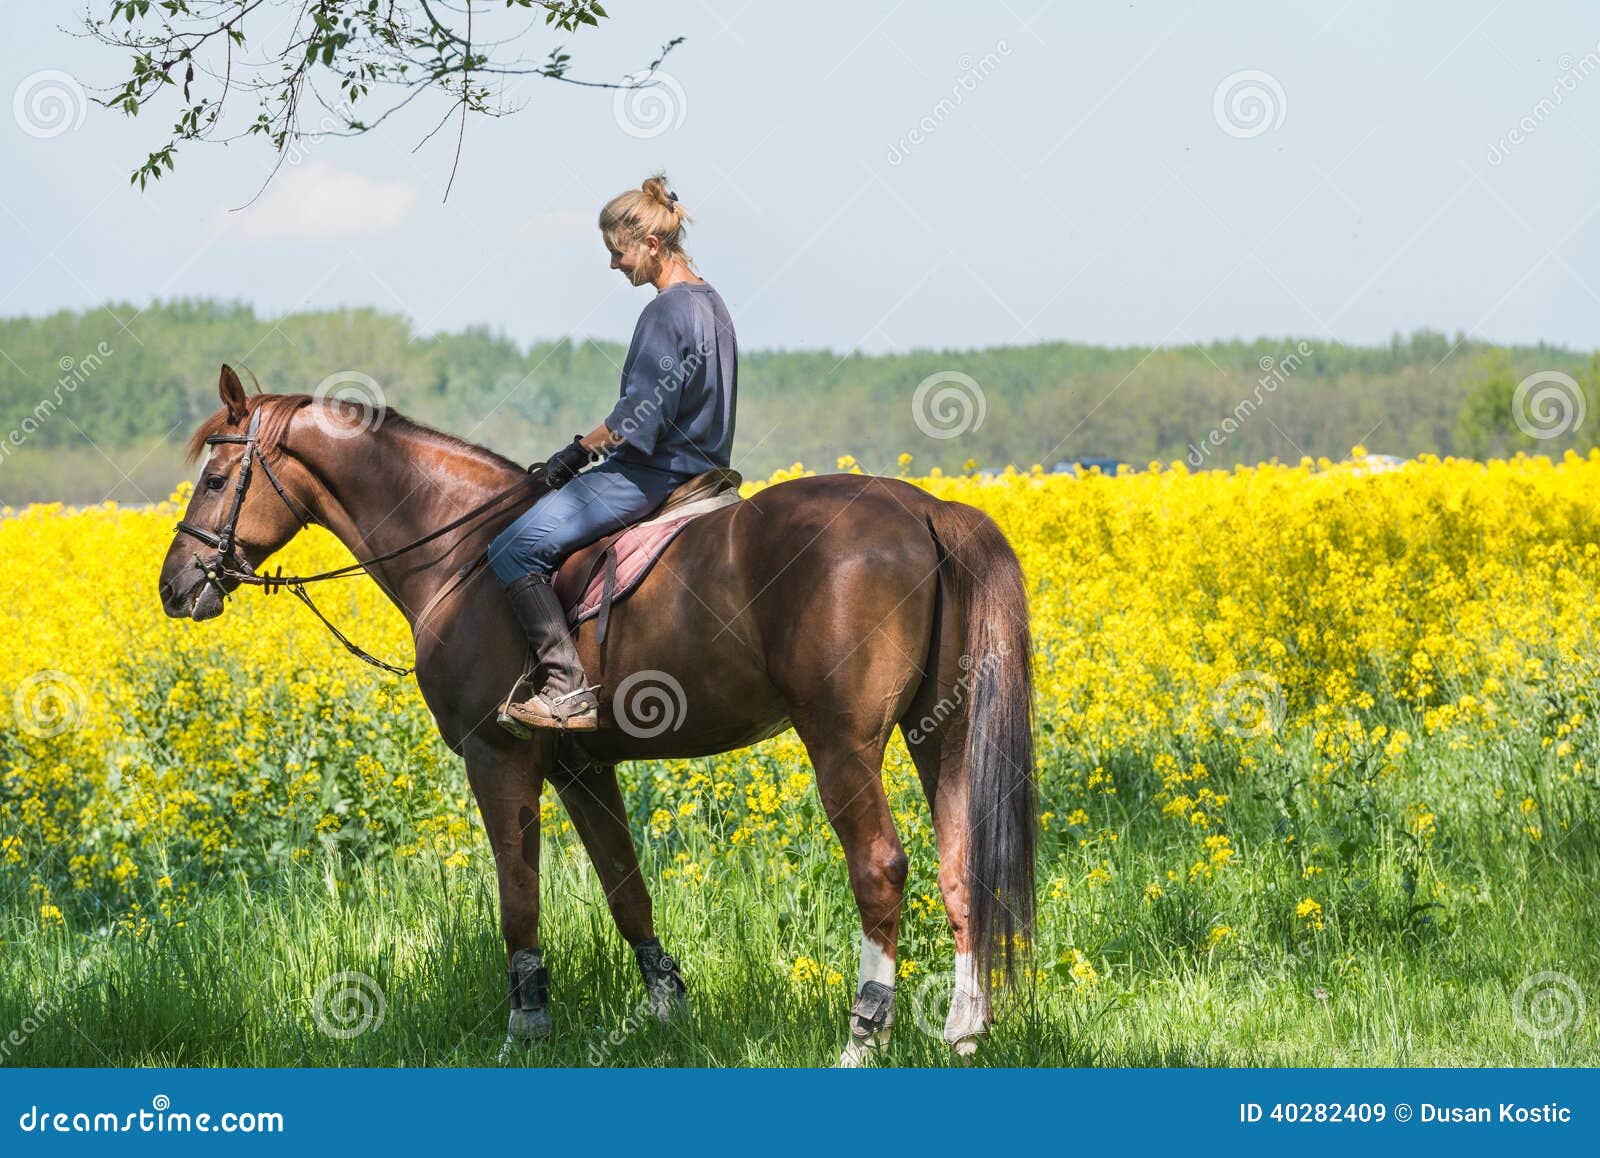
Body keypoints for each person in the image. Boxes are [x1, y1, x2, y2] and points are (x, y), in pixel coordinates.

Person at [489, 175, 738, 734]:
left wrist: (575, 453)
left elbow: (636, 416)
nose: (613, 266)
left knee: (512, 551)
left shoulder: (665, 312)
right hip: (707, 471)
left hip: (652, 475)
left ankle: (566, 689)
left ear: (650, 246)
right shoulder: (712, 303)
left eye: (617, 252)